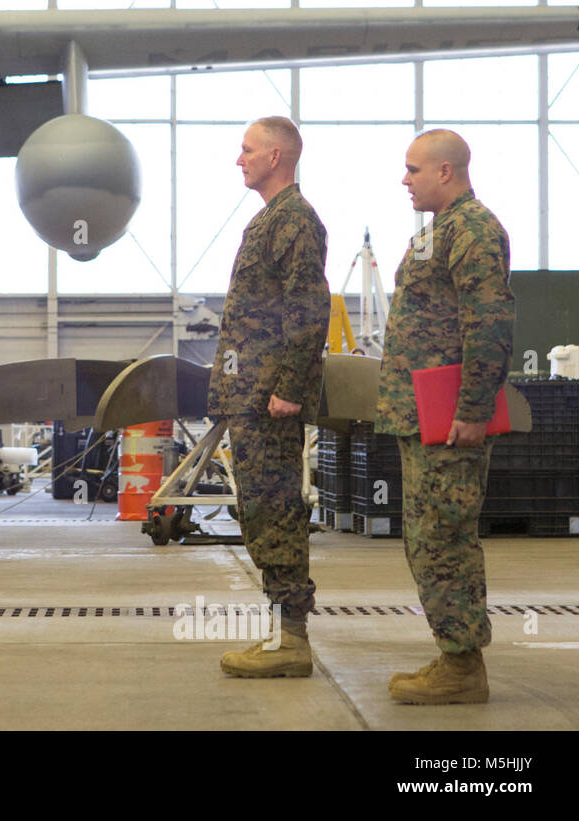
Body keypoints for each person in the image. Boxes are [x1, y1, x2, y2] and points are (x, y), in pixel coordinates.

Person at [377, 129, 514, 705]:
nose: (404, 180)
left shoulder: (475, 231)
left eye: (413, 170)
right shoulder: (440, 232)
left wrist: (474, 411)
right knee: (428, 537)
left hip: (451, 418)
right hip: (424, 416)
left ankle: (462, 666)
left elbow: (489, 324)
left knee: (445, 538)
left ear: (445, 172)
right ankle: (453, 652)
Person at [208, 116, 330, 677]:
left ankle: (292, 641)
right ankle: (285, 636)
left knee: (276, 509)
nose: (240, 159)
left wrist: (287, 388)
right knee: (259, 508)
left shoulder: (295, 221)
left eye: (247, 150)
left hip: (269, 399)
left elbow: (308, 308)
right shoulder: (268, 221)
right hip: (251, 397)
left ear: (276, 156)